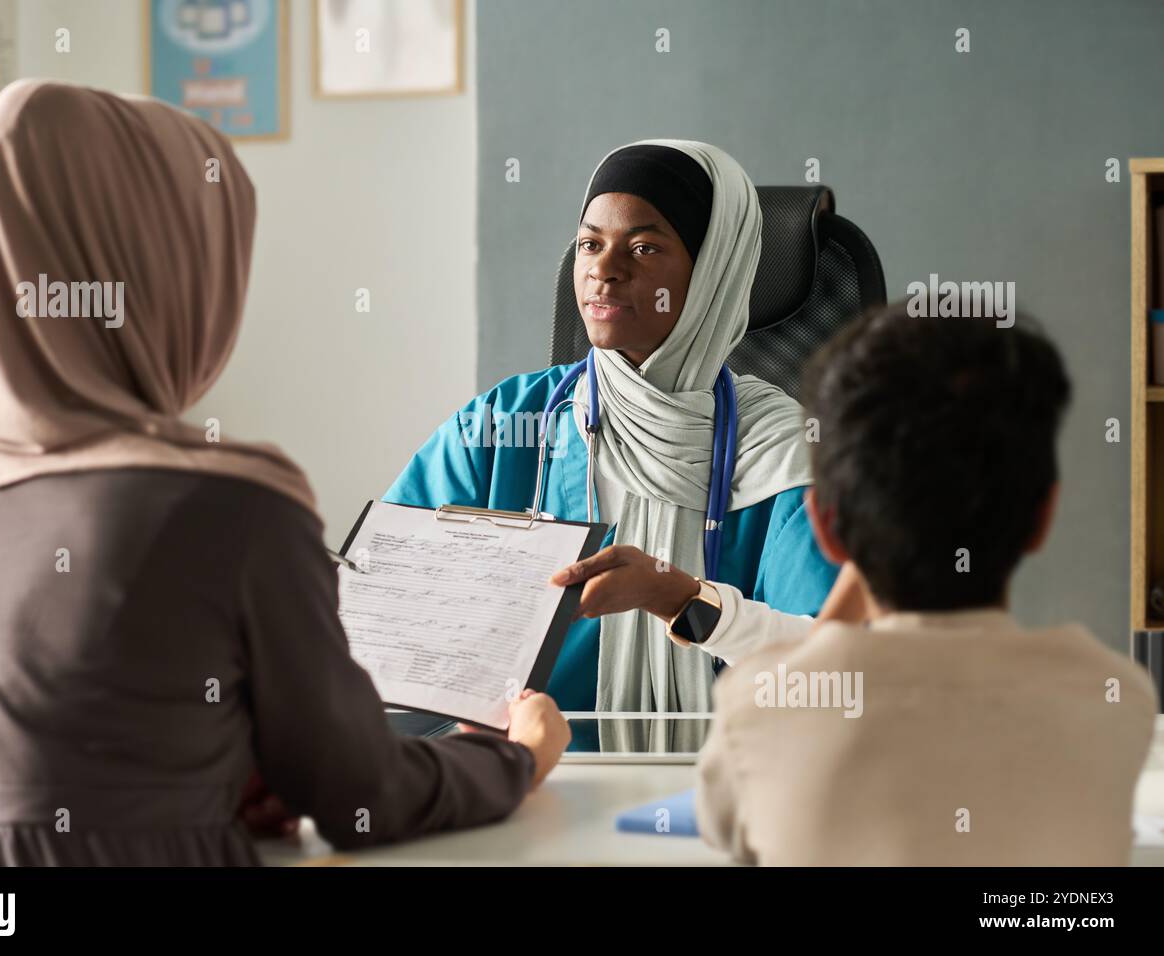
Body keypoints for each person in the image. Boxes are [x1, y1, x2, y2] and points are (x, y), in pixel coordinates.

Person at [0, 80, 568, 867]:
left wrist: (199, 760)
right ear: (173, 273)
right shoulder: (227, 506)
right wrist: (518, 756)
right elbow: (364, 796)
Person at [387, 141, 838, 726]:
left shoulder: (784, 453)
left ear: (710, 272)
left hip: (727, 787)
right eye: (590, 245)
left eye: (644, 247)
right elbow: (388, 618)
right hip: (526, 780)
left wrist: (680, 598)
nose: (603, 269)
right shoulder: (504, 425)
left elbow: (839, 671)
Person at [694, 302, 1159, 865]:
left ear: (824, 526)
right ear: (1043, 516)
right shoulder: (1115, 696)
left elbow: (725, 833)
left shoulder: (758, 704)